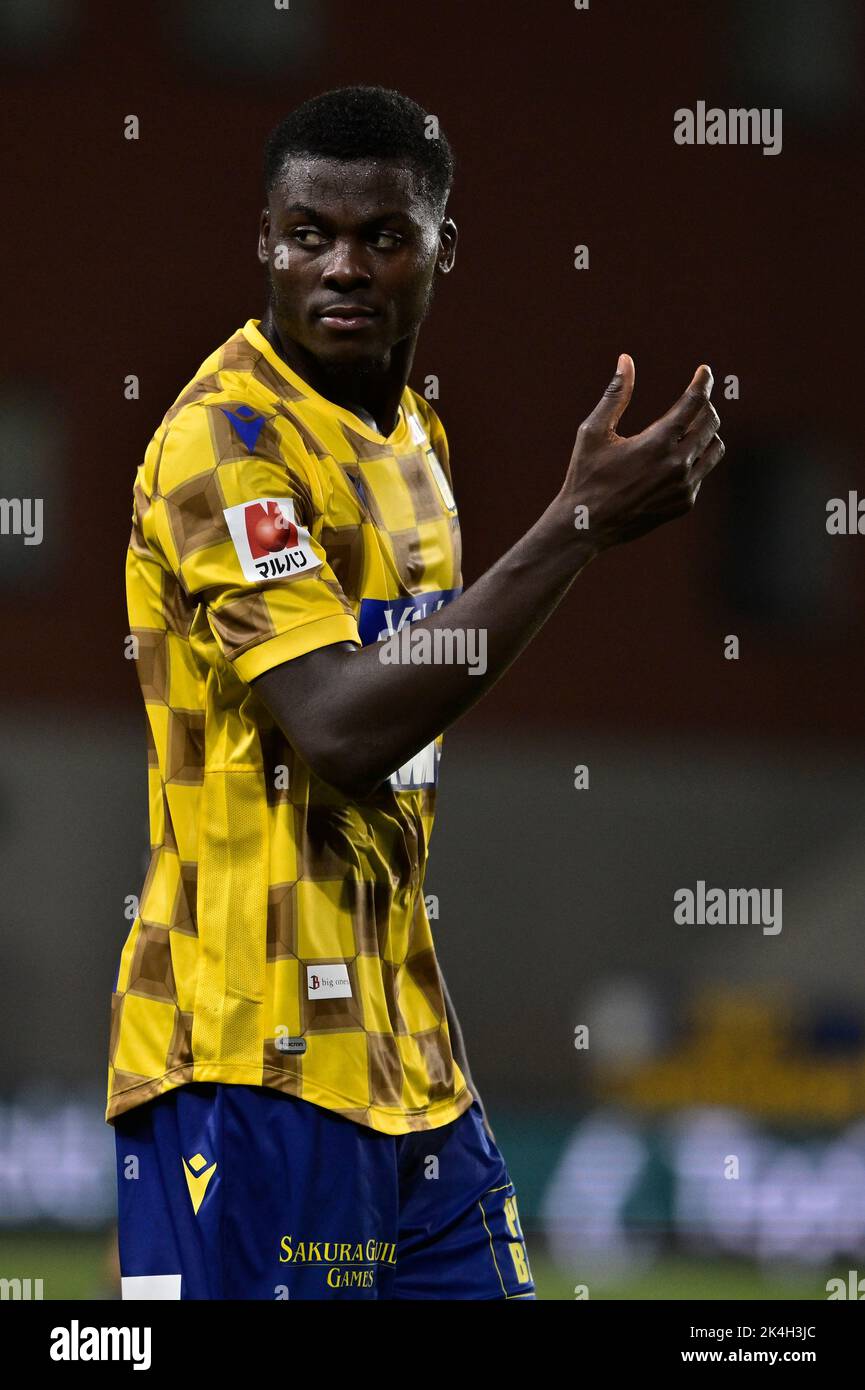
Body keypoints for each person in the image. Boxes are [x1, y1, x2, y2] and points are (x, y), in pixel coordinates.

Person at [108, 84, 723, 1301]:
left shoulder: (416, 452)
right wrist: (578, 526)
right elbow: (337, 727)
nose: (342, 267)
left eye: (381, 237)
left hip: (410, 1065)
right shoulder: (224, 443)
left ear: (441, 249)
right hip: (247, 1066)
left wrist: (563, 537)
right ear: (264, 245)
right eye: (308, 236)